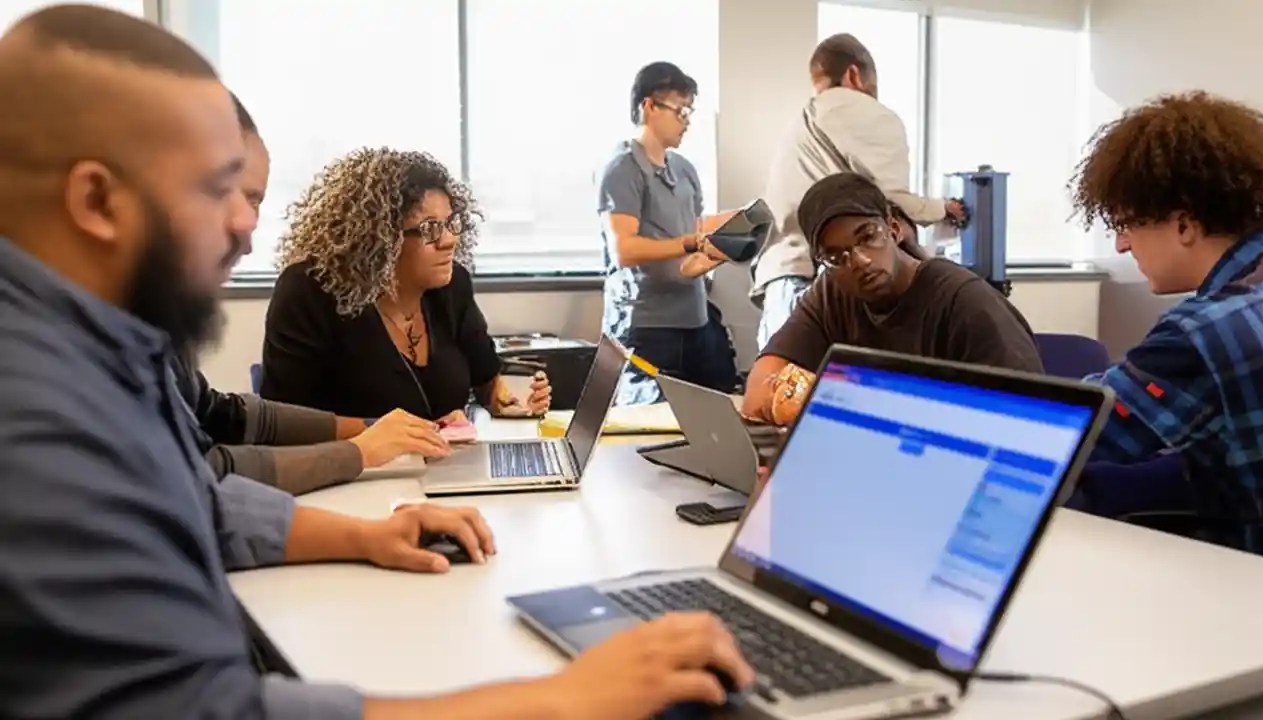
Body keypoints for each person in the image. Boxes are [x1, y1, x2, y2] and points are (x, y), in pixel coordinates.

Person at [0, 6, 752, 719]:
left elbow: (194, 496)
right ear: (97, 200)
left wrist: (363, 534)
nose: (245, 227)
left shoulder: (112, 351)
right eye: (217, 190)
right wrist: (561, 700)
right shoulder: (36, 420)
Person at [174, 94, 451, 495]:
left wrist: (378, 432)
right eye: (223, 194)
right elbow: (200, 479)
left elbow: (220, 414)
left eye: (254, 202)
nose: (246, 230)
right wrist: (360, 451)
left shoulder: (152, 339)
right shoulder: (309, 288)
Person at [1068, 91, 1263, 557]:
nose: (1122, 245)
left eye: (1125, 223)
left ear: (1184, 224)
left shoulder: (1208, 331)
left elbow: (1074, 432)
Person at [260, 148, 552, 423]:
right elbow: (282, 423)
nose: (449, 240)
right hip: (352, 472)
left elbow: (486, 378)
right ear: (380, 239)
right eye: (430, 229)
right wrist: (379, 432)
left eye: (452, 223)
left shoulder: (452, 286)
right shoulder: (309, 292)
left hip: (445, 471)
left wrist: (507, 399)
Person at [742, 172, 1043, 426]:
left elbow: (1026, 421)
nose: (859, 261)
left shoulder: (965, 302)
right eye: (835, 256)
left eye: (867, 236)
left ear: (894, 229)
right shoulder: (831, 294)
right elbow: (758, 390)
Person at [752, 33, 966, 351]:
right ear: (854, 74)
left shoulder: (799, 125)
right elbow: (891, 198)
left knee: (781, 394)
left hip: (780, 282)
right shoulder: (860, 109)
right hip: (820, 283)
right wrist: (944, 208)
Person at [598, 61, 740, 405]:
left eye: (690, 111)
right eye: (680, 111)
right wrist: (690, 242)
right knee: (652, 424)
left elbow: (692, 238)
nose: (687, 121)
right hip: (647, 326)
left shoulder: (684, 170)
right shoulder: (622, 169)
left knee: (714, 415)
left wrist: (734, 232)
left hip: (695, 319)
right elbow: (624, 249)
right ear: (649, 107)